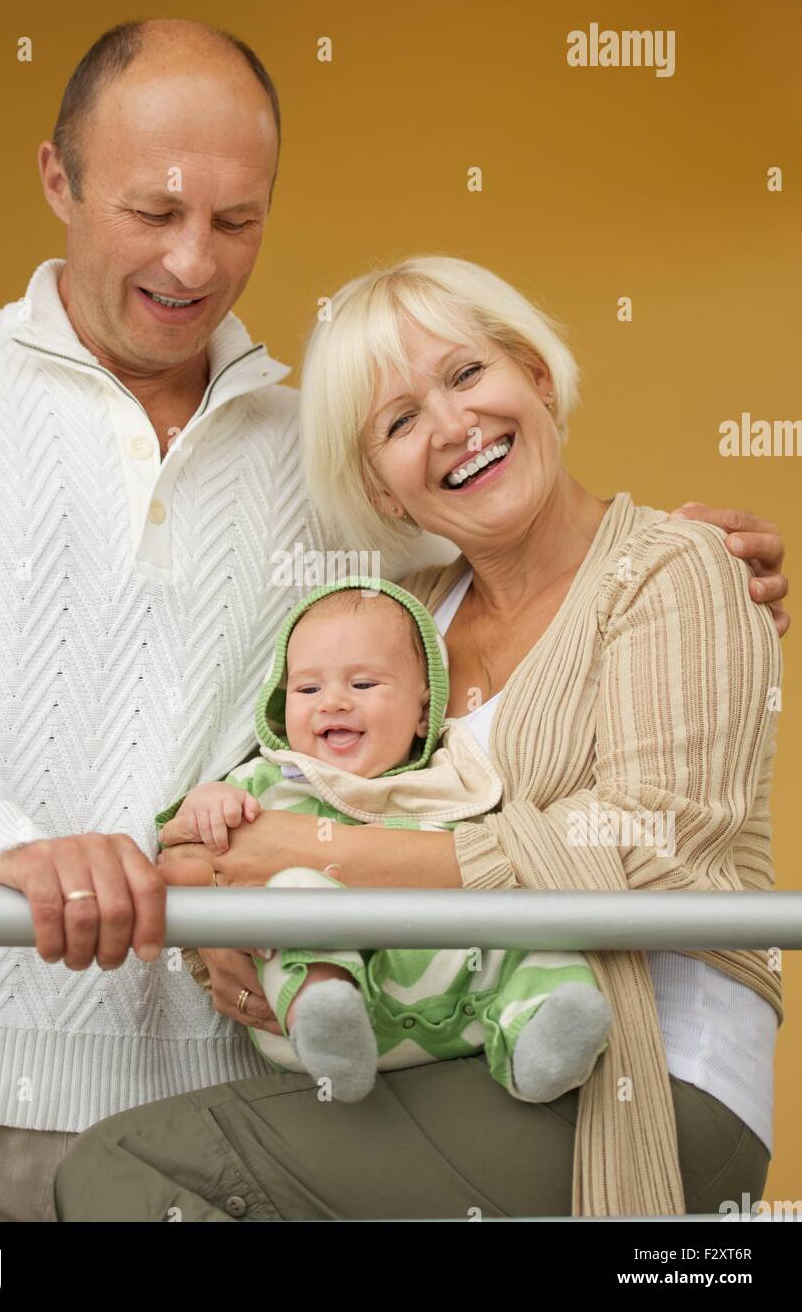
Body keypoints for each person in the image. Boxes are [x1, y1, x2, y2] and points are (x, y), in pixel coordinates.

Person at [0, 15, 787, 1223]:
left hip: (229, 1090)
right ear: (57, 180)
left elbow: (514, 575)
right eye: (153, 211)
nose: (194, 262)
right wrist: (4, 846)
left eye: (237, 221)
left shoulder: (328, 458)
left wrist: (686, 559)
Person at [55, 255, 787, 1221]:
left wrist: (332, 858)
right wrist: (219, 916)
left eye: (467, 374)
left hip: (651, 1073)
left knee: (128, 1175)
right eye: (398, 423)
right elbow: (271, 790)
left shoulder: (676, 570)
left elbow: (652, 850)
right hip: (442, 1048)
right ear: (386, 492)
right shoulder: (406, 625)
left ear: (534, 372)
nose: (451, 427)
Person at [156, 577, 612, 1107]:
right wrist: (209, 800)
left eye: (363, 685)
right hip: (310, 1029)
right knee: (299, 891)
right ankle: (324, 1011)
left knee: (542, 933)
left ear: (423, 713)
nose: (332, 704)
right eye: (308, 690)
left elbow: (509, 857)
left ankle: (537, 1046)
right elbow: (183, 841)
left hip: (465, 1005)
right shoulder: (271, 781)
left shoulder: (455, 778)